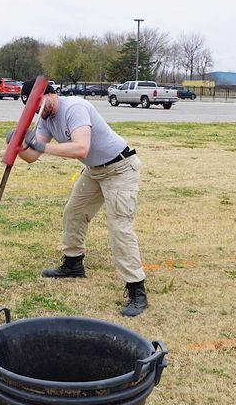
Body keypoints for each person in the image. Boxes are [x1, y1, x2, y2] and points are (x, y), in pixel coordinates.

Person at [9, 79, 148, 317]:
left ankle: (137, 289)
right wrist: (20, 145)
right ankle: (73, 264)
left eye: (38, 105)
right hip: (94, 171)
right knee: (73, 212)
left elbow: (81, 148)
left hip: (120, 168)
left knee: (119, 228)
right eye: (32, 109)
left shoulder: (74, 107)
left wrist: (40, 147)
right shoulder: (46, 120)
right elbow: (33, 156)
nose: (38, 112)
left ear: (50, 94)